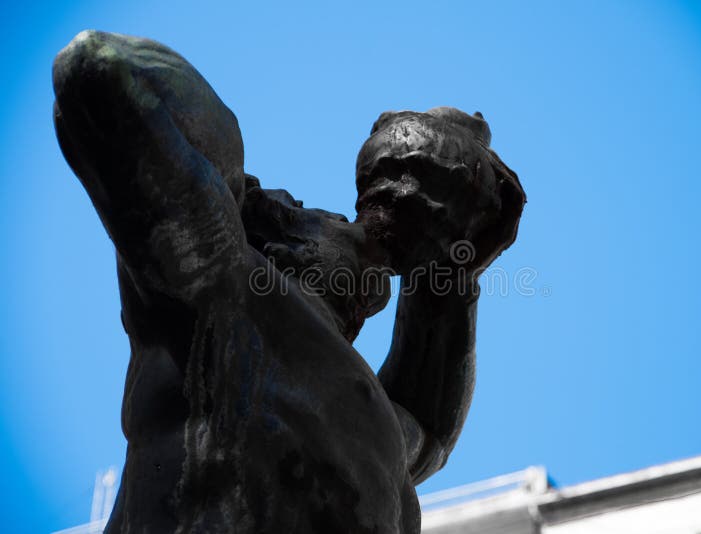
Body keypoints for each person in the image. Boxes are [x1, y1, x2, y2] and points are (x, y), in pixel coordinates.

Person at [53, 30, 524, 534]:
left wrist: (451, 274)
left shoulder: (365, 410)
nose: (353, 226)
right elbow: (97, 65)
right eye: (306, 210)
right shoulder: (220, 290)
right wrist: (231, 186)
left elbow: (431, 430)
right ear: (276, 249)